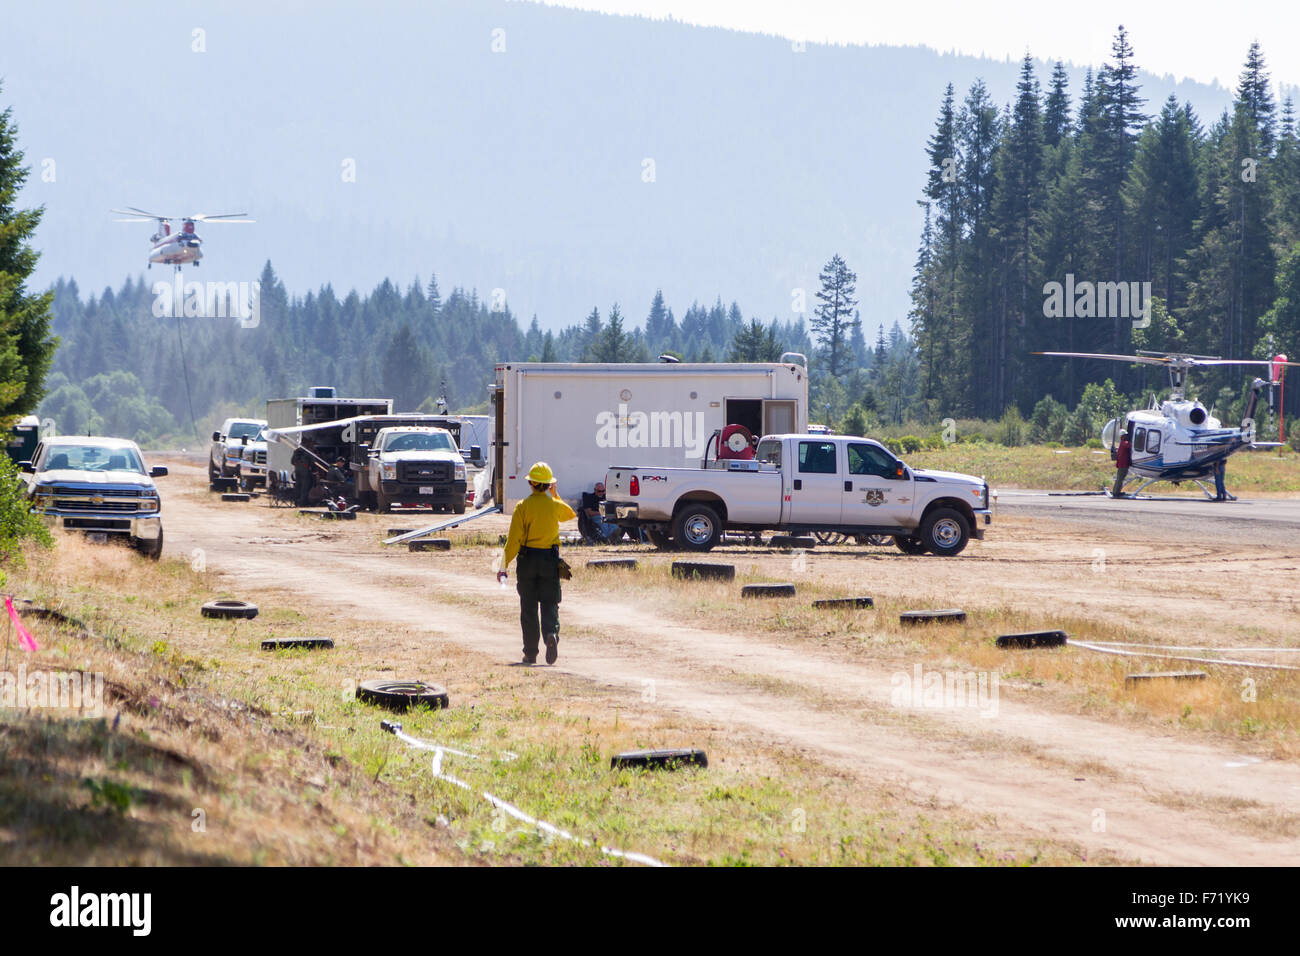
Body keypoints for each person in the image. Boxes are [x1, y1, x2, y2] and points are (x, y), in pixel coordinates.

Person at [496, 462, 576, 665]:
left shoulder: (523, 507)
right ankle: (551, 634)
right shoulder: (554, 505)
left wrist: (503, 566)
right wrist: (555, 494)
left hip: (528, 560)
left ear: (531, 483)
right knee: (550, 603)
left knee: (529, 607)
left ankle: (531, 652)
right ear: (549, 485)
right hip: (549, 560)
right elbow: (570, 514)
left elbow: (513, 540)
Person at [292, 439, 317, 506]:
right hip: (305, 471)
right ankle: (302, 503)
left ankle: (296, 501)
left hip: (297, 470)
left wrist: (298, 465)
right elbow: (313, 462)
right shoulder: (308, 451)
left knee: (297, 486)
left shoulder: (296, 451)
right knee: (305, 487)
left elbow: (292, 462)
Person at [1111, 431, 1132, 498]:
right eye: (1126, 435)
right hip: (1123, 465)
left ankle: (1117, 491)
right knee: (1120, 479)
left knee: (1120, 479)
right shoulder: (1124, 443)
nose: (1127, 436)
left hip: (1122, 464)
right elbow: (1129, 445)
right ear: (1123, 436)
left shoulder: (1121, 443)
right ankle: (1115, 492)